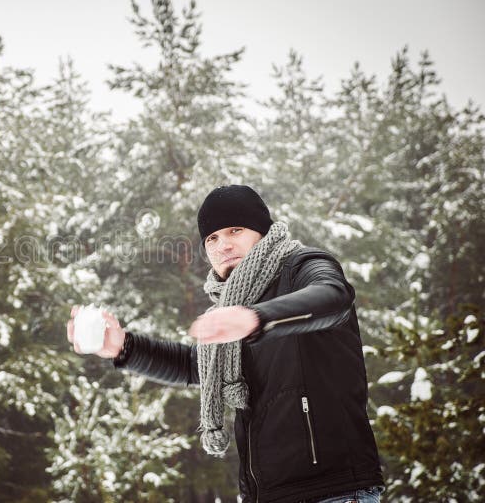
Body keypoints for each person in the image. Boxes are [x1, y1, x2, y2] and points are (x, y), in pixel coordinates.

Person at [66, 185, 385, 503]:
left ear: (262, 233)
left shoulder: (302, 267)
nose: (223, 245)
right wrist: (124, 348)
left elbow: (334, 298)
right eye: (212, 238)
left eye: (235, 230)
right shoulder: (230, 308)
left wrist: (257, 318)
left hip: (336, 491)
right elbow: (197, 366)